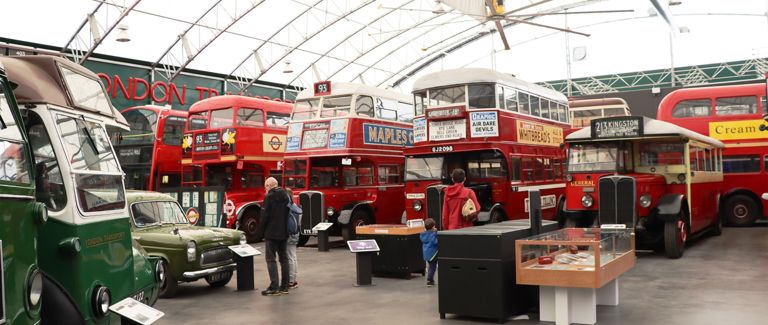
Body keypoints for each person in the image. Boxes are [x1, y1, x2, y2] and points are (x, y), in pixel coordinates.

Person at [260, 177, 291, 296]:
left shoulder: (269, 197)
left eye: (265, 187)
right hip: (284, 232)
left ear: (269, 185)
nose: (265, 189)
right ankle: (285, 286)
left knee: (270, 259)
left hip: (271, 234)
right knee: (284, 259)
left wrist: (261, 232)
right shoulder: (285, 195)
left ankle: (274, 287)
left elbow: (264, 217)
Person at [285, 188, 300, 289]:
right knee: (293, 257)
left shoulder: (288, 207)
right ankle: (294, 279)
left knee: (289, 257)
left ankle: (290, 281)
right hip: (296, 233)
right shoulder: (295, 207)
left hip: (289, 234)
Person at [420, 218, 438, 287]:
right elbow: (435, 242)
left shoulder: (423, 234)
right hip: (432, 254)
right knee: (432, 268)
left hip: (426, 254)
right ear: (432, 227)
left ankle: (431, 279)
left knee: (430, 266)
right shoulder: (432, 234)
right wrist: (435, 233)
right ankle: (429, 280)